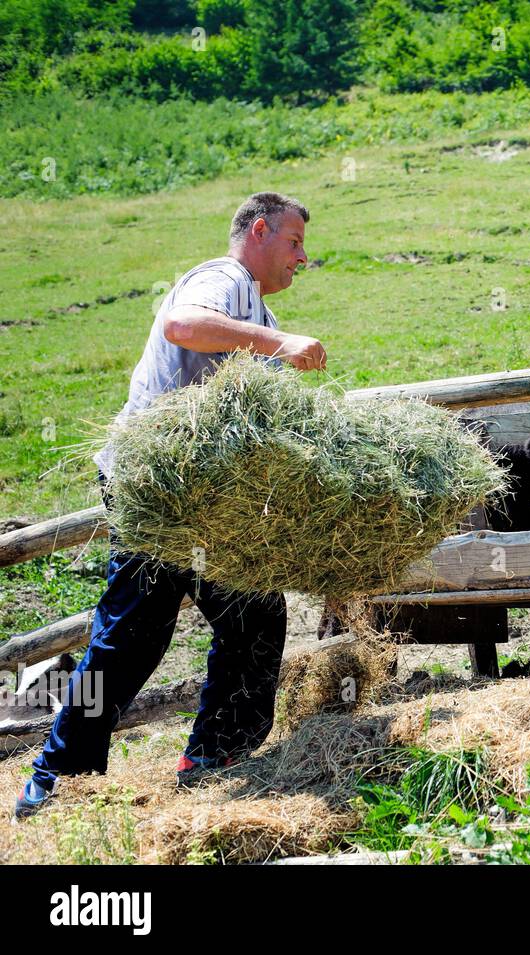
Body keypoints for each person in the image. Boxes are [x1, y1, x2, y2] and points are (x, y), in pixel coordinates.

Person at [14, 192, 327, 820]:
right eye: (293, 242)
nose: (302, 257)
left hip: (196, 500)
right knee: (134, 638)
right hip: (159, 492)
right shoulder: (225, 278)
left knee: (245, 619)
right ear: (259, 230)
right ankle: (57, 780)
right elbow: (182, 326)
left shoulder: (250, 303)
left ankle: (208, 759)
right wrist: (281, 341)